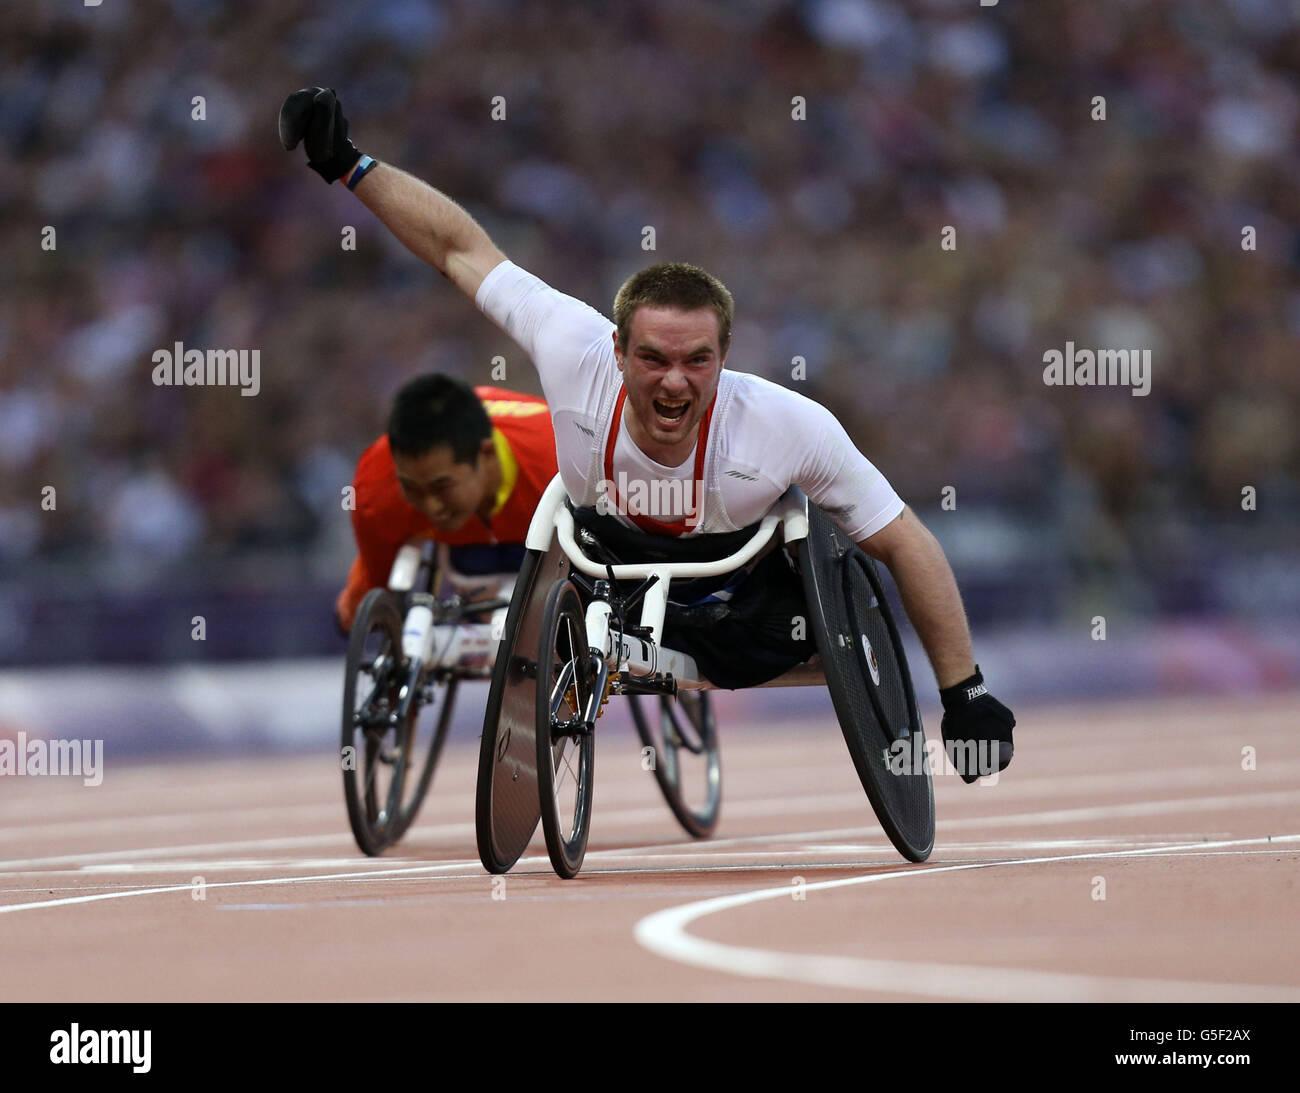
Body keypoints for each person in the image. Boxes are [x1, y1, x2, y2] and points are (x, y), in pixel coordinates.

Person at [282, 87, 1014, 782]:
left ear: (724, 359)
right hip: (603, 563)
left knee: (789, 604)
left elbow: (902, 539)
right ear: (617, 351)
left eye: (697, 361)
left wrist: (964, 693)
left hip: (739, 598)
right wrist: (349, 164)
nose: (674, 382)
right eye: (654, 358)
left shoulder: (787, 427)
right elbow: (458, 249)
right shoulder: (570, 345)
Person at [336, 373, 557, 634]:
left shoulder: (563, 459)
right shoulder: (378, 485)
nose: (431, 508)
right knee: (352, 613)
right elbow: (376, 584)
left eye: (441, 488)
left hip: (549, 541)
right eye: (413, 489)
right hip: (467, 552)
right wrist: (357, 613)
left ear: (486, 455)